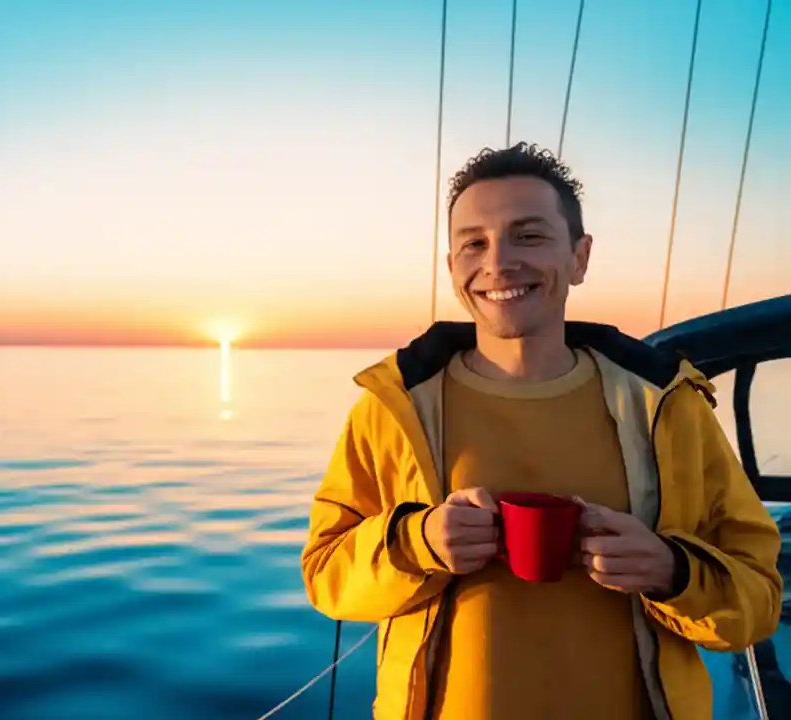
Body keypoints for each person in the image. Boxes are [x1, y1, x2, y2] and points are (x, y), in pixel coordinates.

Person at [300, 142, 783, 720]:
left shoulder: (666, 406)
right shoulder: (394, 407)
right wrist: (418, 540)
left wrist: (671, 570)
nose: (498, 262)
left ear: (580, 257)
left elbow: (759, 597)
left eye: (529, 236)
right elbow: (326, 574)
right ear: (451, 265)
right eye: (473, 242)